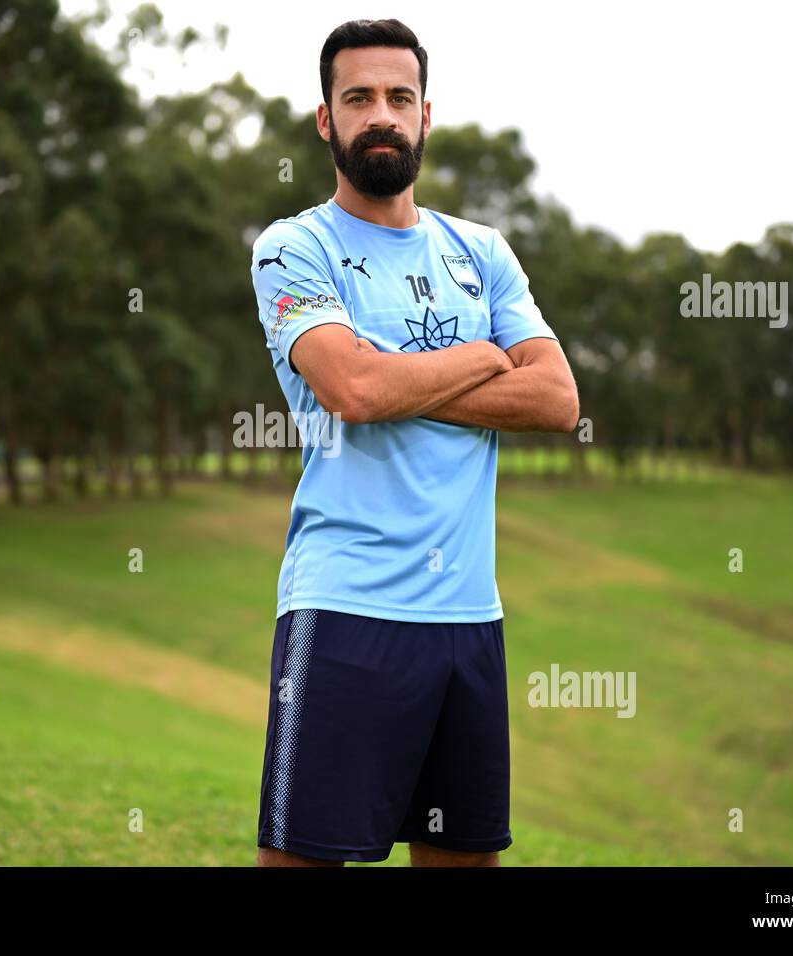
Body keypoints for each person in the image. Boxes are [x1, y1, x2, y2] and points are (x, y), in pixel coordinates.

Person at [249, 18, 580, 867]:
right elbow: (352, 390)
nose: (381, 115)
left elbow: (554, 398)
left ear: (426, 114)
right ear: (326, 121)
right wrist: (477, 355)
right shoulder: (295, 248)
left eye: (399, 97)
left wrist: (404, 378)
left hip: (470, 619)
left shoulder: (484, 252)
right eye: (358, 98)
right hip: (347, 608)